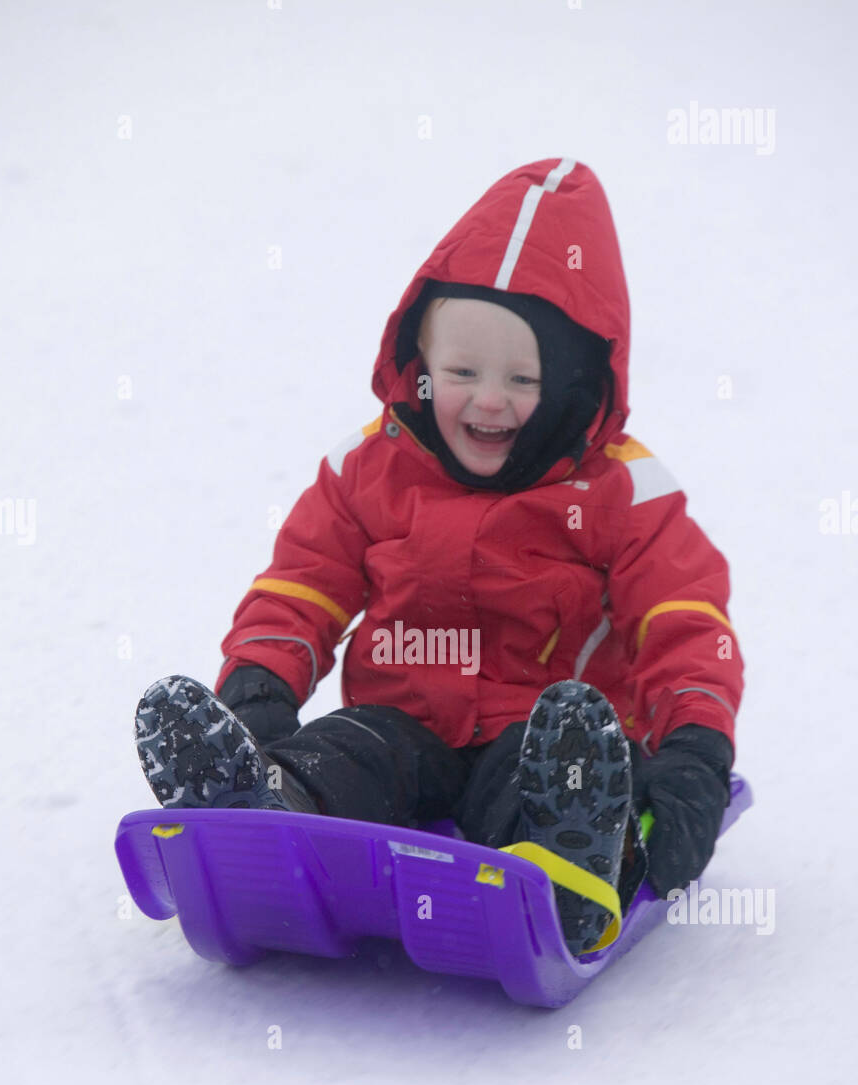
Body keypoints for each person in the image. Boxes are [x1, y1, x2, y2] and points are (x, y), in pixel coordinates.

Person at [134, 157, 742, 957]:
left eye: (523, 378)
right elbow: (302, 583)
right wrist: (260, 682)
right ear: (419, 361)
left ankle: (580, 853)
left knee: (548, 775)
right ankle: (263, 805)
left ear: (575, 383)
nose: (488, 400)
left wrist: (695, 751)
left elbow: (684, 620)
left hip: (542, 735)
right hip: (406, 722)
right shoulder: (373, 468)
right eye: (461, 372)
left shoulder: (620, 489)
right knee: (348, 751)